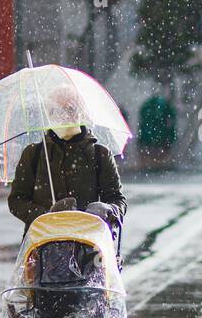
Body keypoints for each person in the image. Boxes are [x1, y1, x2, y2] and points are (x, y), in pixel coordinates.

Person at [7, 93, 127, 235]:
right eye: (57, 110)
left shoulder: (100, 154)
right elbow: (17, 200)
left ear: (81, 113)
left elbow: (117, 199)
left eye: (70, 109)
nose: (64, 116)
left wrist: (109, 210)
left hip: (89, 243)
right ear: (49, 115)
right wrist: (47, 215)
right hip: (42, 243)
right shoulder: (34, 154)